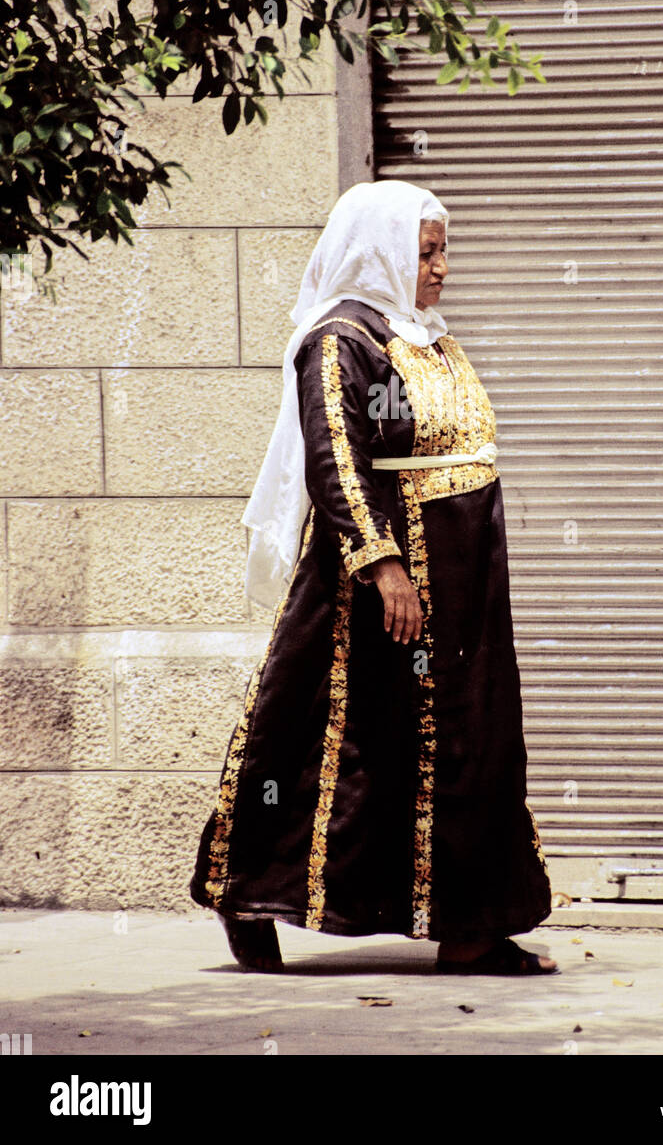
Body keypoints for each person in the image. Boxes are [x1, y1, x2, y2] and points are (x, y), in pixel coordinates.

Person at [189, 180, 556, 975]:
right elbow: (335, 457)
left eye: (442, 250)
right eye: (425, 252)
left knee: (470, 740)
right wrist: (382, 564)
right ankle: (246, 893)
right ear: (383, 250)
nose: (441, 268)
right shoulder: (340, 339)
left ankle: (469, 925)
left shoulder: (421, 336)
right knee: (324, 740)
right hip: (378, 588)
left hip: (464, 581)